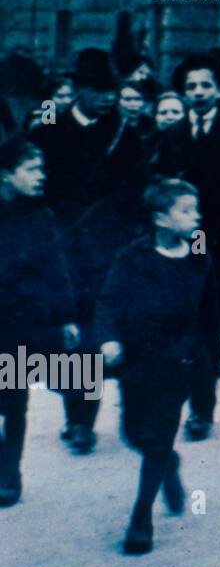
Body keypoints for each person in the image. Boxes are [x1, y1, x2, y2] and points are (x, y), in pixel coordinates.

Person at [29, 48, 143, 455]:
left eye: (111, 89)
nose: (108, 97)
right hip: (58, 253)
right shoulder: (48, 131)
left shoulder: (124, 135)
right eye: (97, 89)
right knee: (63, 334)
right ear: (77, 89)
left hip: (107, 252)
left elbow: (136, 197)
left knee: (93, 334)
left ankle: (82, 421)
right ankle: (73, 410)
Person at [97, 179, 219, 555]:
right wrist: (108, 339)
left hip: (181, 360)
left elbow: (209, 307)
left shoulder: (199, 252)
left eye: (195, 208)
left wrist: (210, 354)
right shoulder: (133, 256)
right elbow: (108, 302)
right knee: (133, 433)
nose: (196, 216)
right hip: (137, 358)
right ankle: (169, 462)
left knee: (160, 435)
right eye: (186, 210)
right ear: (161, 219)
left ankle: (140, 520)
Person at [152, 53, 220, 438]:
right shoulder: (172, 136)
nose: (198, 93)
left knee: (206, 319)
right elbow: (161, 188)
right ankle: (176, 400)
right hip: (184, 239)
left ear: (218, 91)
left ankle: (202, 409)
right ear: (183, 94)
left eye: (205, 86)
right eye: (191, 87)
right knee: (184, 320)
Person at [0, 138, 79, 508]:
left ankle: (9, 473)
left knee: (14, 401)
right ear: (5, 174)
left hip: (20, 326)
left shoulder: (41, 218)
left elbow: (57, 270)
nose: (41, 176)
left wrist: (66, 315)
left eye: (41, 168)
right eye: (31, 169)